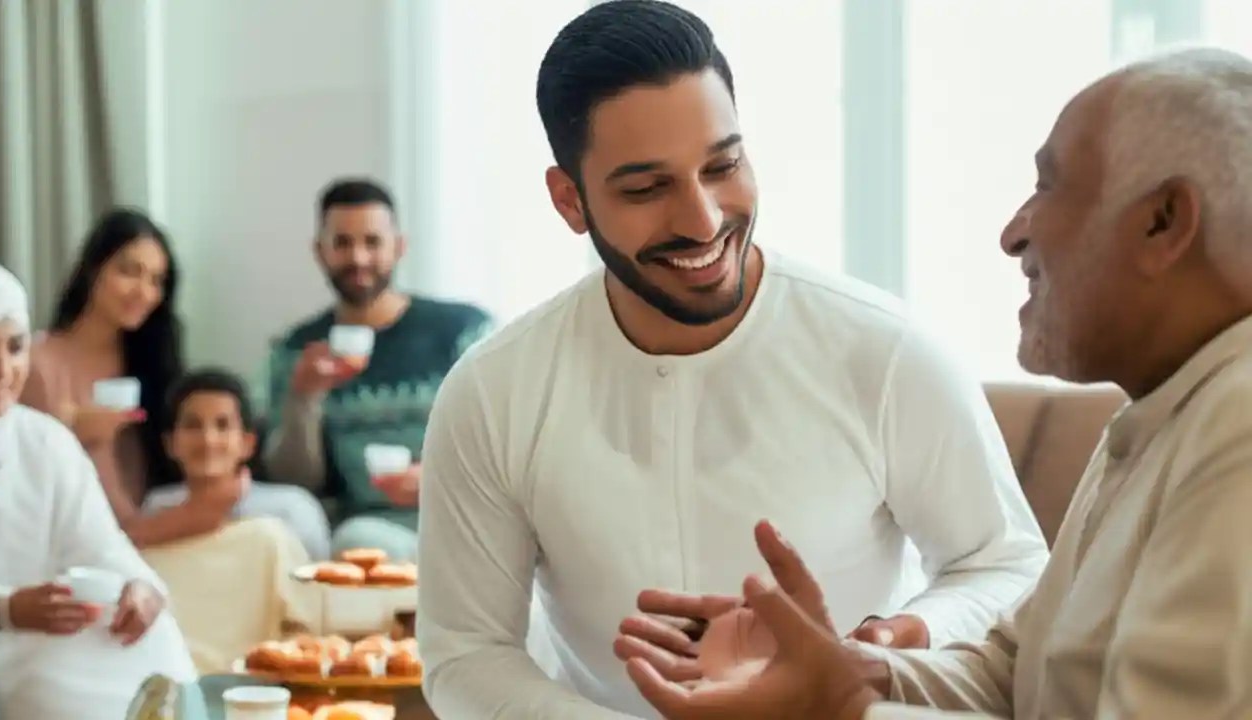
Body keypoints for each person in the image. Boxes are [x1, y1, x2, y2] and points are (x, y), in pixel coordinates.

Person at [415, 2, 1047, 717]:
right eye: (647, 188)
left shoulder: (884, 349)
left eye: (723, 165)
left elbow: (1007, 565)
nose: (703, 220)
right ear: (570, 201)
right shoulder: (494, 391)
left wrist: (892, 641)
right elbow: (466, 654)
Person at [620, 47, 1252, 720]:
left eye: (1049, 186)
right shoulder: (1157, 415)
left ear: (1164, 222)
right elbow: (1014, 673)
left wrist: (837, 706)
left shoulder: (1237, 428)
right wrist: (850, 669)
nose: (1014, 235)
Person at [22, 209, 328, 551]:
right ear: (93, 269)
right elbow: (28, 471)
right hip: (107, 536)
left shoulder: (151, 360)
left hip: (164, 513)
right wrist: (75, 429)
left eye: (156, 280)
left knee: (295, 516)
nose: (144, 291)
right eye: (129, 271)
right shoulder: (36, 363)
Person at [0, 257, 195, 719]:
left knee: (154, 636)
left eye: (15, 348)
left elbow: (100, 545)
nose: (1, 370)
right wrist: (5, 610)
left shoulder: (46, 441)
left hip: (33, 646)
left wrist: (141, 588)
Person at [262, 178, 492, 561]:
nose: (358, 258)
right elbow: (295, 483)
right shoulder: (296, 352)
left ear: (398, 247)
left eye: (372, 242)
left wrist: (438, 479)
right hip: (369, 531)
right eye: (342, 243)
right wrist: (303, 399)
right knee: (356, 543)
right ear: (319, 251)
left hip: (465, 512)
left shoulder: (463, 332)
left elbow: (510, 442)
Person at [143, 368, 332, 561]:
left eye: (222, 425)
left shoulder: (291, 508)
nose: (208, 439)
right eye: (193, 426)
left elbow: (317, 585)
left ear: (248, 443)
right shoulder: (158, 508)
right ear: (170, 444)